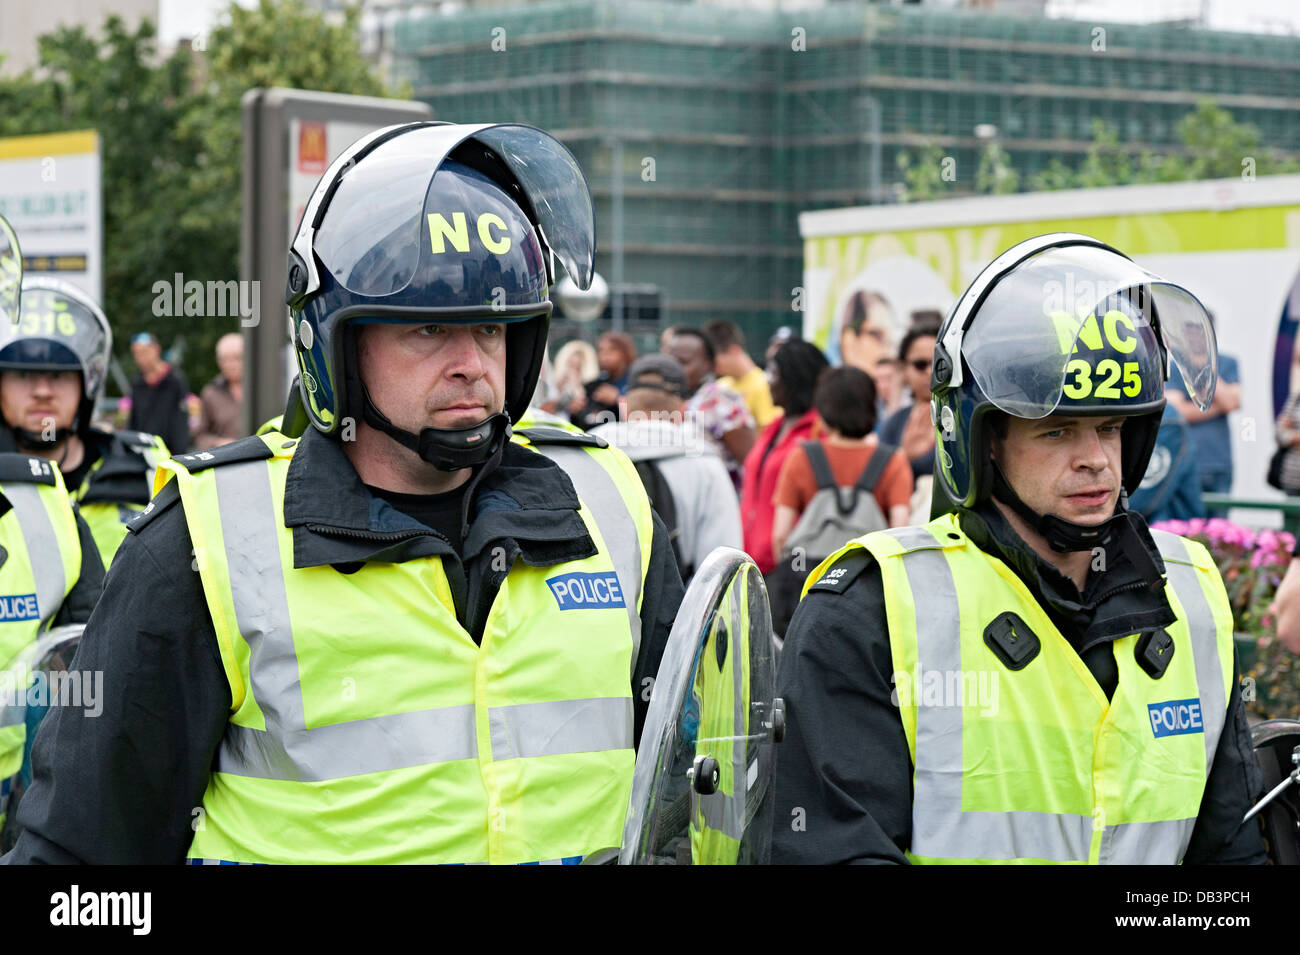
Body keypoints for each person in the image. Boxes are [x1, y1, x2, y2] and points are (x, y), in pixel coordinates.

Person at [6, 121, 683, 865]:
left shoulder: (611, 501)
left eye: (491, 328)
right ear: (336, 345)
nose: (471, 365)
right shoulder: (209, 538)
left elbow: (694, 790)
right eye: (428, 328)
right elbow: (80, 853)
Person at [773, 234, 1265, 864]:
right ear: (985, 442)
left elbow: (1229, 861)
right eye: (1057, 430)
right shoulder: (871, 610)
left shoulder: (1192, 592)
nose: (1095, 460)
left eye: (1111, 427)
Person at [0, 279, 171, 567]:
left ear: (86, 385)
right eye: (23, 375)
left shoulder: (147, 464)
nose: (42, 391)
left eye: (59, 376)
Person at [592, 354, 741, 585]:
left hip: (600, 611)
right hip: (679, 614)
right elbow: (722, 568)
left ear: (623, 406)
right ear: (683, 410)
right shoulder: (706, 465)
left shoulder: (590, 455)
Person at [771, 365, 913, 560]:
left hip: (811, 580)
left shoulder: (802, 457)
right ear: (871, 406)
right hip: (869, 581)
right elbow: (900, 531)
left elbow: (780, 536)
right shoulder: (893, 460)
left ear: (823, 409)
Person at [740, 340, 827, 619]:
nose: (768, 382)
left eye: (774, 374)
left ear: (794, 380)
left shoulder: (819, 432)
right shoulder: (774, 427)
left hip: (789, 569)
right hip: (753, 565)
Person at [1165, 312, 1239, 511]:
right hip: (1186, 462)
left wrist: (1205, 368)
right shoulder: (1174, 366)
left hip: (1219, 464)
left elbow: (1232, 402)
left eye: (1200, 330)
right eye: (1191, 331)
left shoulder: (1229, 363)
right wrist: (1216, 405)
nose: (1195, 336)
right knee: (1188, 526)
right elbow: (1177, 411)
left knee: (1219, 531)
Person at [668, 327, 755, 489]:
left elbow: (750, 462)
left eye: (684, 362)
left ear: (709, 364)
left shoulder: (720, 398)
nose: (674, 369)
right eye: (671, 361)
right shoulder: (673, 398)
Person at [705, 319, 778, 428]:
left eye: (714, 360)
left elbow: (769, 432)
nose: (710, 366)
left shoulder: (764, 386)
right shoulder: (719, 386)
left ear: (734, 350)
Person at [127, 332, 191, 455]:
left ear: (157, 350)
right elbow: (134, 420)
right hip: (144, 452)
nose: (140, 358)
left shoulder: (175, 379)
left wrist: (179, 454)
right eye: (136, 353)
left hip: (170, 453)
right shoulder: (137, 383)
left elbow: (181, 421)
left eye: (144, 352)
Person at [571, 330, 636, 430]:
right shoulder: (595, 385)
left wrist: (617, 399)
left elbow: (643, 415)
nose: (604, 356)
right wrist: (576, 410)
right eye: (600, 350)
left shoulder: (636, 380)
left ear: (625, 352)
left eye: (612, 350)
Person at [192, 332, 246, 450]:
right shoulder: (210, 393)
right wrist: (218, 443)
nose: (231, 364)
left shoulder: (263, 389)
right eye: (225, 359)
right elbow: (200, 436)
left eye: (237, 357)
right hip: (225, 461)